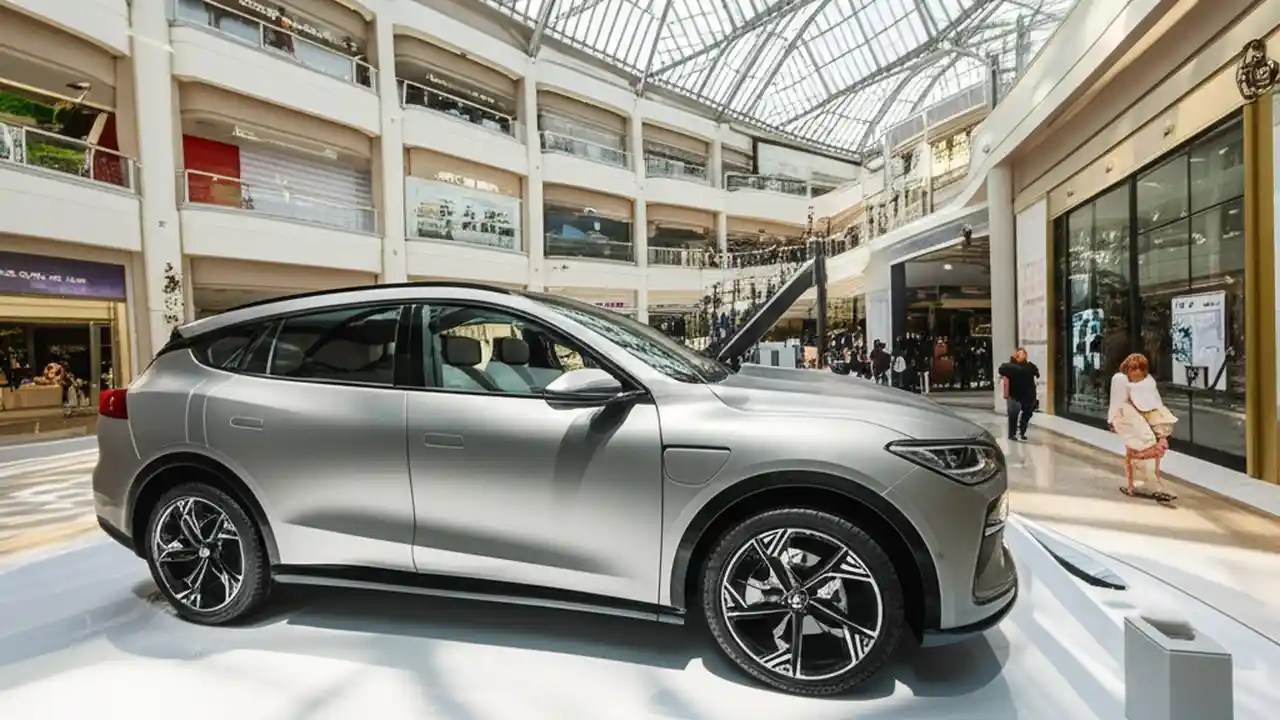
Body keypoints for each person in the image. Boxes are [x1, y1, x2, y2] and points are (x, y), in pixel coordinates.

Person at [1109, 353, 1178, 502]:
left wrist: (1161, 432)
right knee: (1135, 451)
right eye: (1133, 369)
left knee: (1148, 453)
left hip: (1144, 421)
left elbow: (1154, 404)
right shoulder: (1120, 381)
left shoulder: (1148, 383)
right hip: (1131, 422)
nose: (1136, 373)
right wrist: (1115, 421)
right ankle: (1135, 485)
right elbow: (1118, 404)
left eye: (1140, 370)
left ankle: (1149, 484)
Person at [998, 348, 1039, 441]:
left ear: (1025, 355)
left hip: (1028, 394)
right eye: (1018, 354)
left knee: (1027, 413)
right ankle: (1012, 434)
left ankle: (1022, 431)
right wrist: (1012, 360)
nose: (1019, 356)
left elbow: (1037, 373)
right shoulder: (1010, 367)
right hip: (1014, 394)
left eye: (1022, 354)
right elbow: (1001, 369)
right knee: (1013, 413)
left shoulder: (1029, 366)